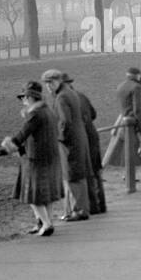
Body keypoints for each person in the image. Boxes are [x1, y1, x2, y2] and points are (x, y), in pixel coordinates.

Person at [1, 81, 63, 236]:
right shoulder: (48, 111)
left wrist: (7, 147)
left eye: (24, 97)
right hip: (50, 156)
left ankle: (47, 224)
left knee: (33, 195)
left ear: (30, 97)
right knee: (46, 195)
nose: (23, 101)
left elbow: (23, 134)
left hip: (35, 159)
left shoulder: (35, 114)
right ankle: (44, 222)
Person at [42, 68, 90, 221]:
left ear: (58, 81)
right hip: (79, 138)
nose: (48, 87)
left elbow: (64, 121)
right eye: (46, 84)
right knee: (78, 175)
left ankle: (78, 210)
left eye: (51, 83)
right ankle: (80, 208)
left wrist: (59, 138)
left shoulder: (61, 97)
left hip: (69, 142)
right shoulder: (70, 92)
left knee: (71, 175)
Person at [68, 73, 106, 215]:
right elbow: (94, 114)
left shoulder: (66, 100)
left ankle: (91, 206)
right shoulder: (81, 96)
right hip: (92, 136)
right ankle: (100, 205)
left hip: (81, 139)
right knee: (96, 171)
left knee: (85, 172)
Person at [118, 66, 141, 174]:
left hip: (125, 119)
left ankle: (127, 173)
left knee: (129, 146)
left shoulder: (120, 86)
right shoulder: (137, 87)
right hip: (134, 119)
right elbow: (137, 108)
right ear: (136, 76)